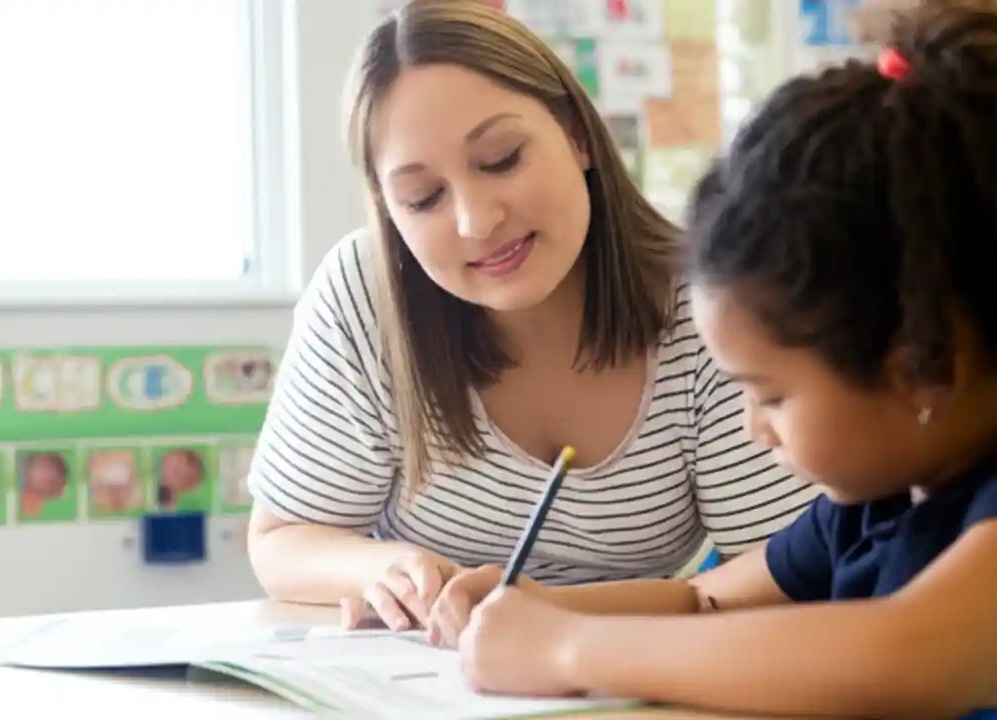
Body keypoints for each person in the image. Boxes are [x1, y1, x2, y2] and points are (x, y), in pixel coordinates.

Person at [428, 4, 997, 717]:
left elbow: (913, 656)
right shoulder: (879, 500)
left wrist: (567, 649)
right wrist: (539, 607)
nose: (756, 427)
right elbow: (703, 602)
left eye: (772, 396)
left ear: (924, 366)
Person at [245, 0, 816, 632]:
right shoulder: (364, 295)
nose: (476, 221)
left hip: (635, 665)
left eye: (502, 159)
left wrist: (561, 619)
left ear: (577, 133)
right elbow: (283, 538)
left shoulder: (706, 301)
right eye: (423, 197)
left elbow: (786, 564)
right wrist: (383, 569)